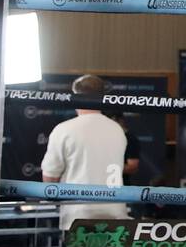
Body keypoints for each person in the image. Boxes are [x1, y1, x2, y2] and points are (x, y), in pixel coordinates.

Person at [41, 75, 130, 231]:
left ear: (75, 96)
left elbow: (50, 179)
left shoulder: (64, 130)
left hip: (78, 215)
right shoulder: (117, 129)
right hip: (115, 212)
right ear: (103, 96)